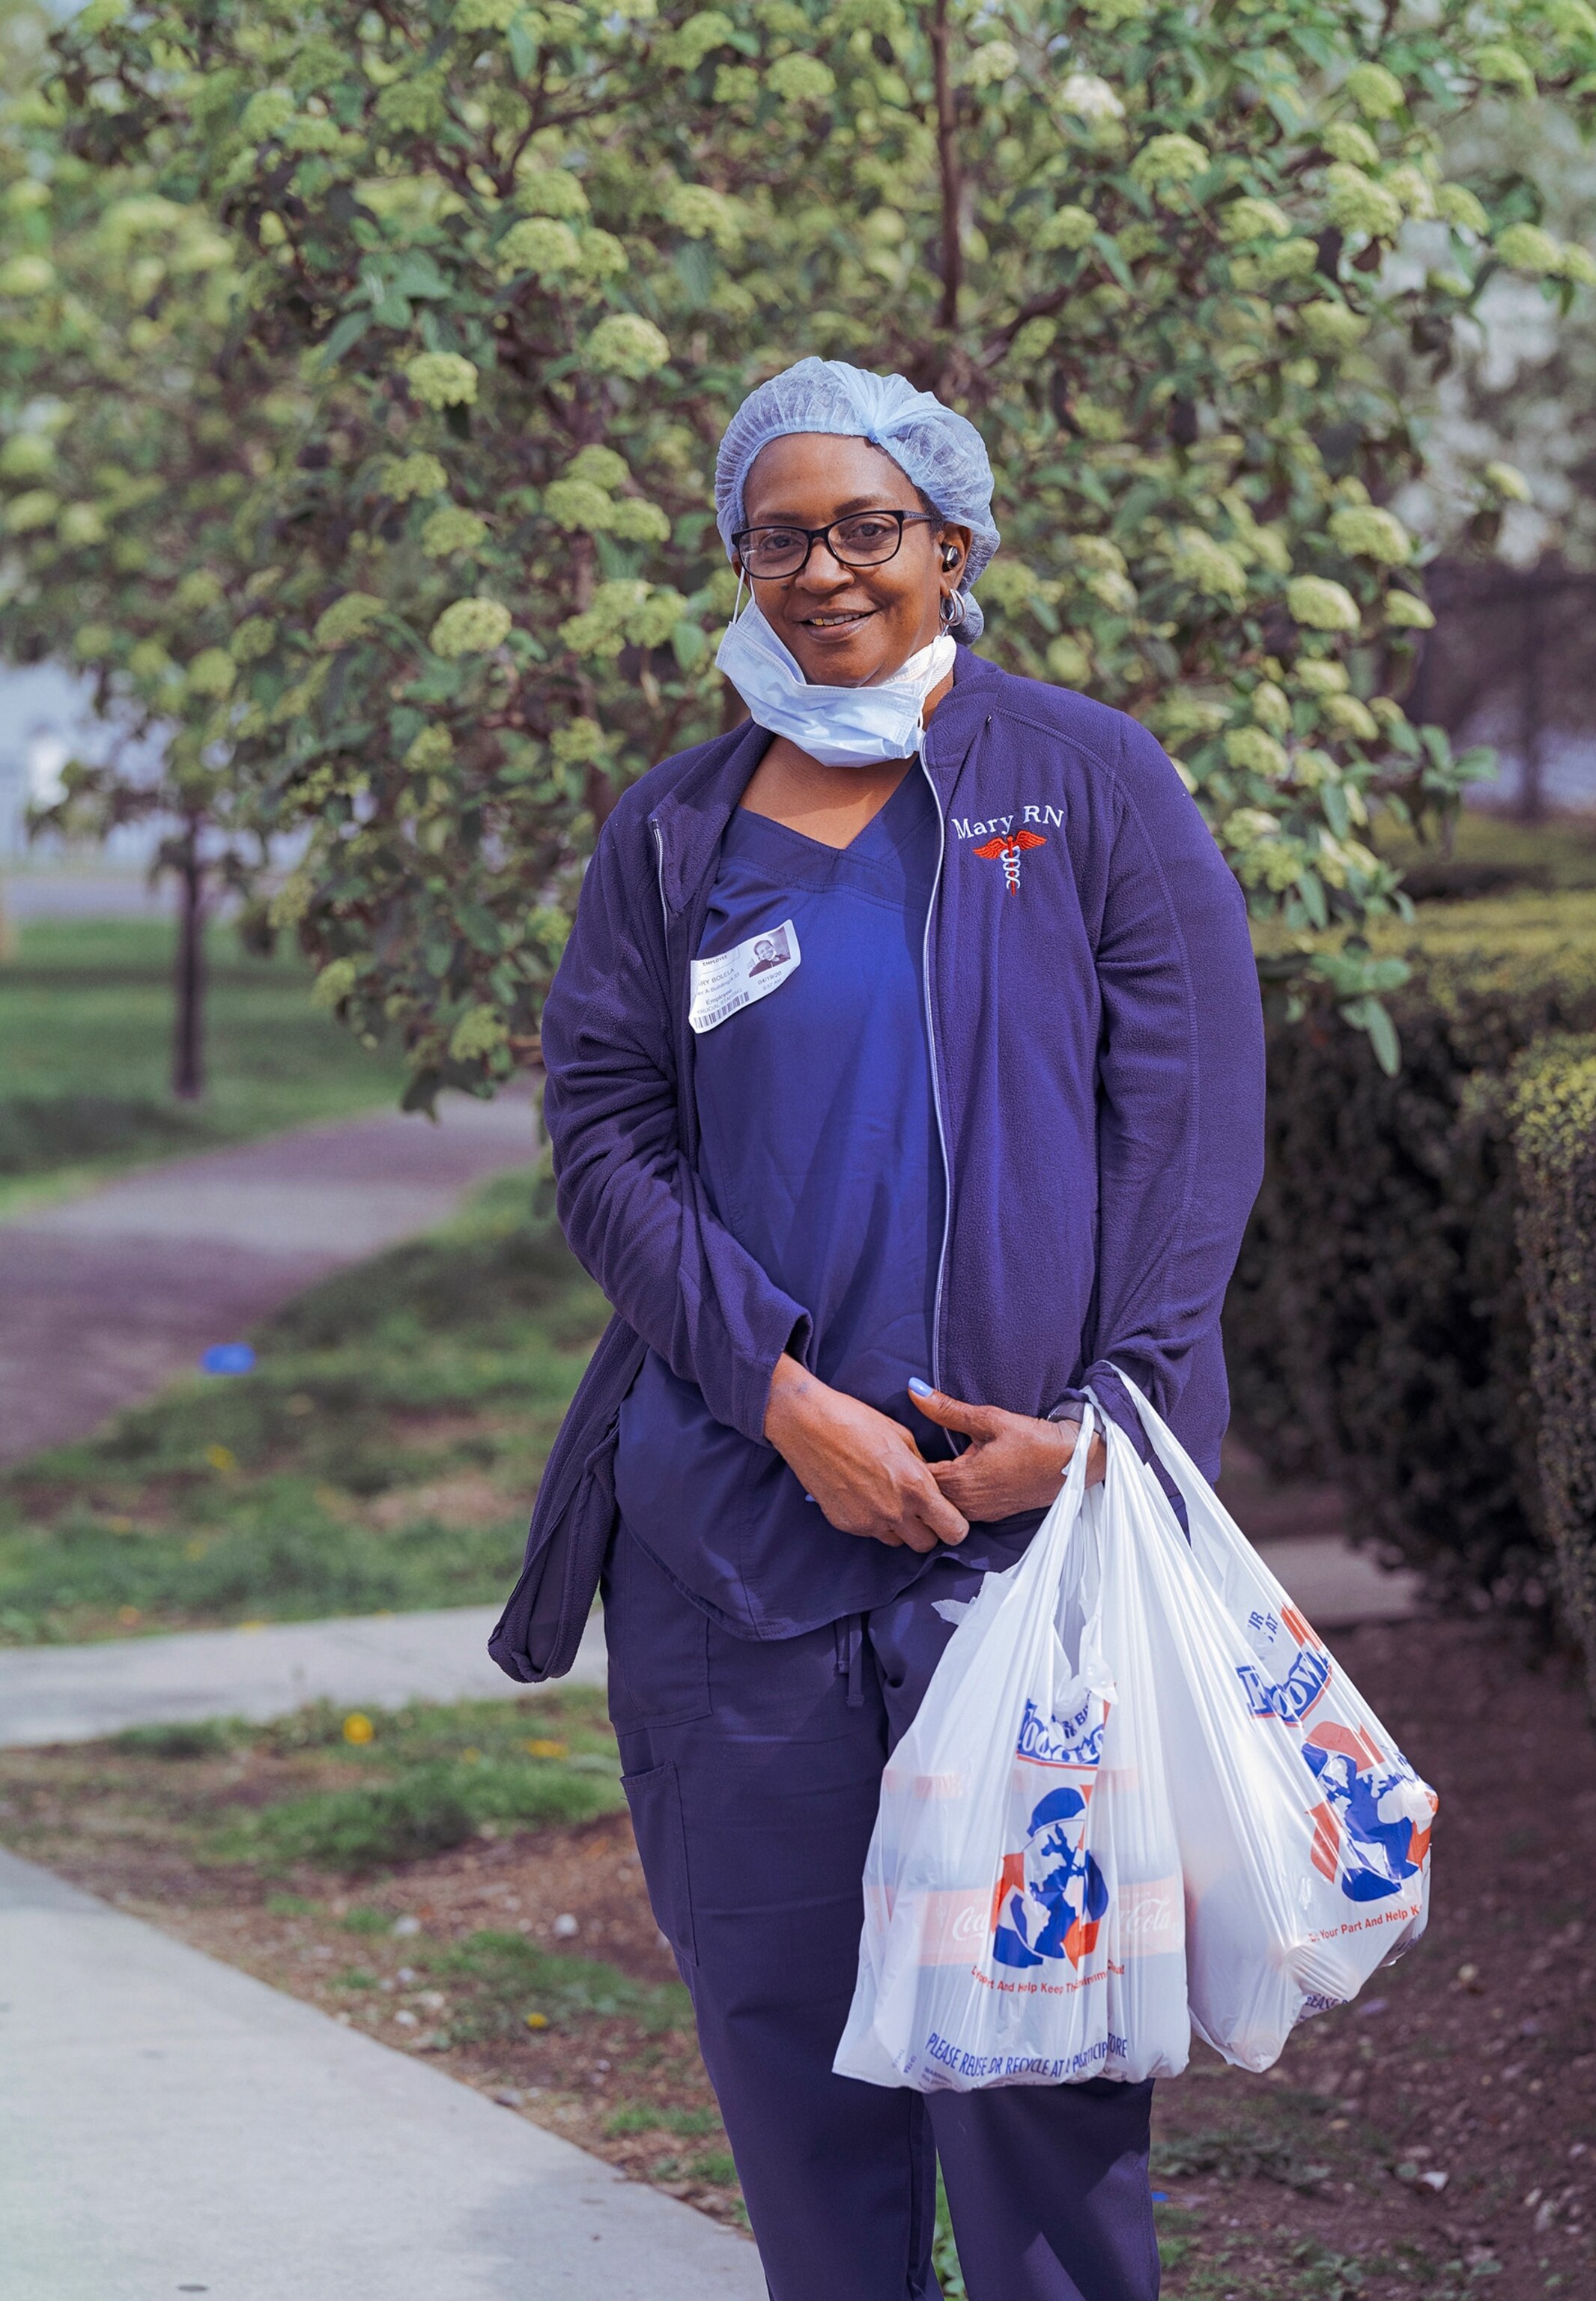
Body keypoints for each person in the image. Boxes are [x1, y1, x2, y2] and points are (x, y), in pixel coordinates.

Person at [494, 356, 1266, 2300]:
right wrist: (779, 1399)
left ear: (954, 542)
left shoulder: (1084, 786)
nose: (825, 568)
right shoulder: (672, 835)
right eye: (782, 533)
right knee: (793, 2079)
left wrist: (1101, 1431)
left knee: (1046, 2107)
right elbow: (603, 1136)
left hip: (1027, 1566)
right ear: (737, 560)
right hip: (734, 1557)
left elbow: (1188, 1132)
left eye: (868, 528)